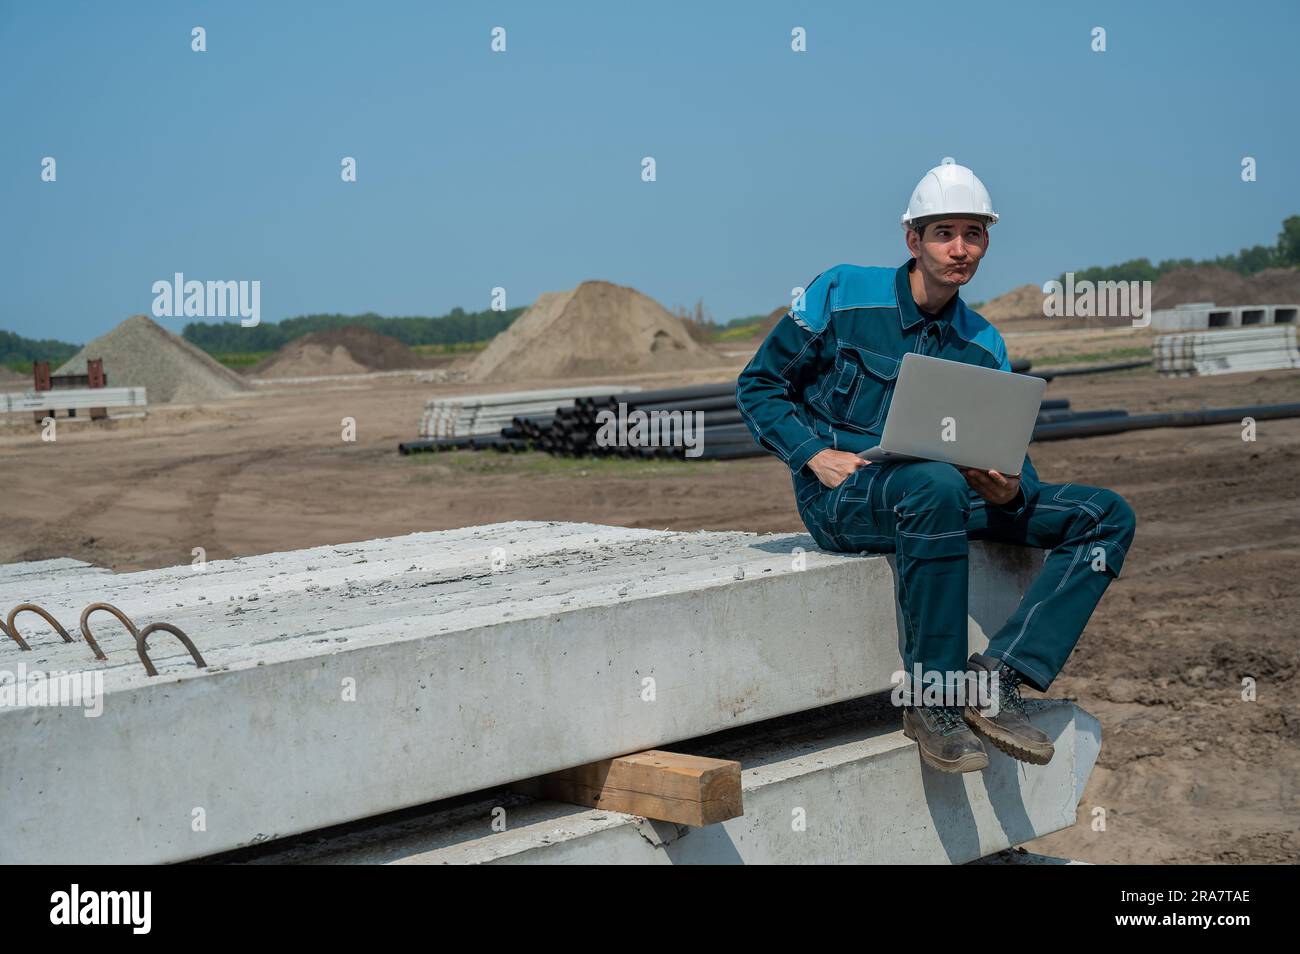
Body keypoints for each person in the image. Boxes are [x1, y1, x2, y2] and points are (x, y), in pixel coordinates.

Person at [735, 158, 1137, 774]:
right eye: (944, 233)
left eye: (973, 234)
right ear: (912, 240)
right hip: (843, 494)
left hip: (939, 493)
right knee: (935, 482)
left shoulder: (984, 344)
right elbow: (759, 386)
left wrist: (1007, 492)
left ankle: (999, 677)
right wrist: (812, 454)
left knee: (1105, 515)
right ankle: (936, 700)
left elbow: (1010, 463)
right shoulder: (841, 295)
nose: (959, 248)